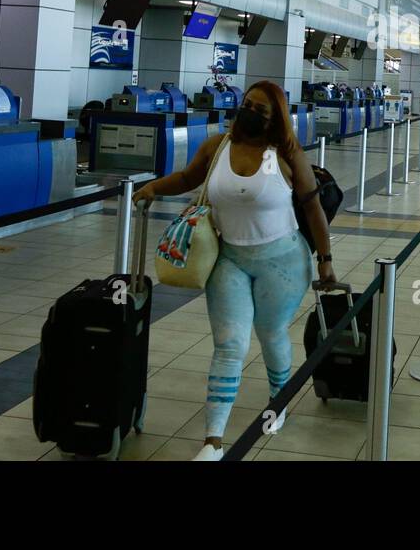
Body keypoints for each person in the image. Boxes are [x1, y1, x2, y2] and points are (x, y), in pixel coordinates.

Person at [131, 81, 334, 461]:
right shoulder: (217, 146)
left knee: (271, 334)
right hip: (229, 260)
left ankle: (279, 400)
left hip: (283, 261)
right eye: (248, 105)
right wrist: (154, 187)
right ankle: (213, 440)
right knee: (230, 346)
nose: (251, 113)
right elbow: (189, 179)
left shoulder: (286, 156)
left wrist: (325, 261)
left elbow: (312, 207)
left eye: (262, 111)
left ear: (275, 121)